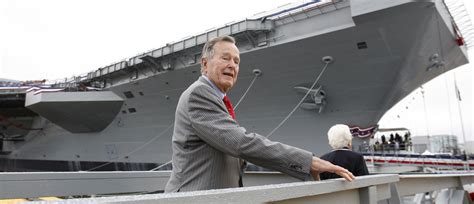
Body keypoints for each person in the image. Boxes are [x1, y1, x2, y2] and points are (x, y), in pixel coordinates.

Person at [164, 36, 354, 192]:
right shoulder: (199, 94)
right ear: (205, 64)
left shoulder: (217, 99)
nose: (232, 65)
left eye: (236, 61)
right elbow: (240, 142)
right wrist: (308, 161)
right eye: (225, 58)